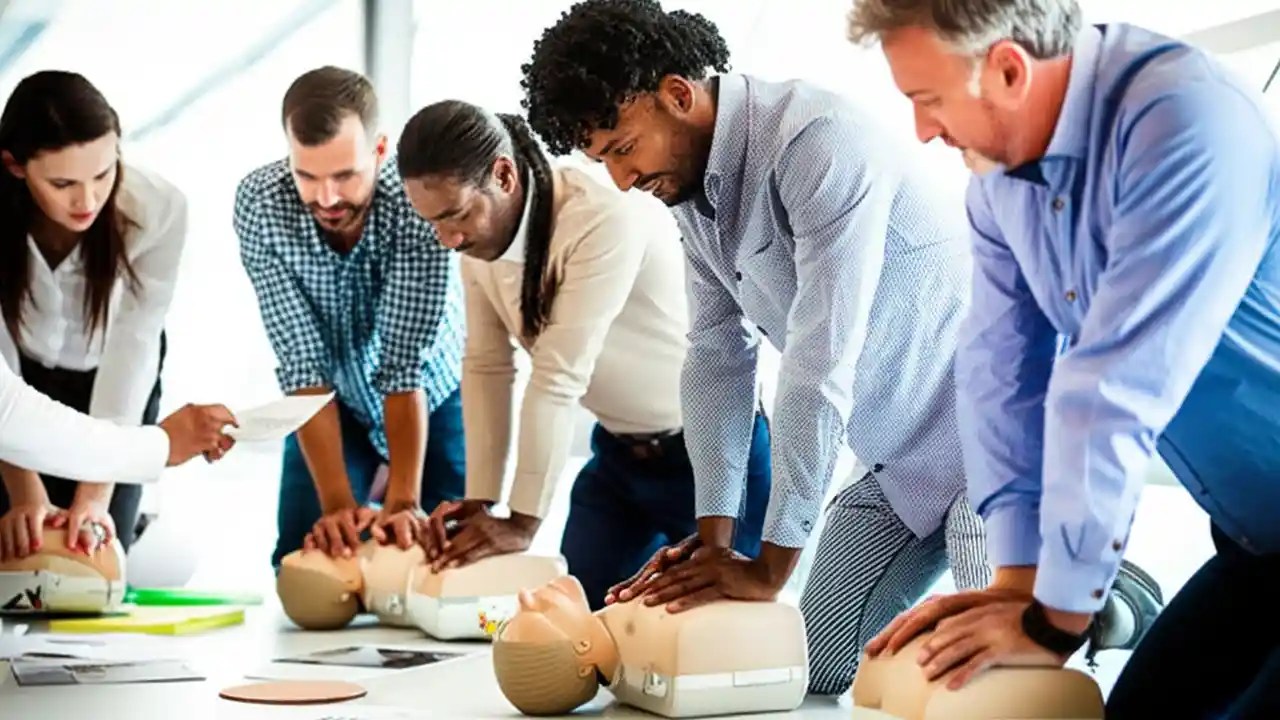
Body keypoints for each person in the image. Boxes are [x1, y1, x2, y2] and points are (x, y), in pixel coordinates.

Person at [519, 0, 996, 695]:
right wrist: (715, 542)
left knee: (995, 670)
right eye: (602, 161)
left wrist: (768, 565)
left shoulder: (817, 142)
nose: (621, 180)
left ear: (678, 94)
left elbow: (818, 360)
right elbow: (716, 355)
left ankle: (1091, 596)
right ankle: (1066, 595)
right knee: (824, 667)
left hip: (999, 444)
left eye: (621, 148)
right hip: (901, 464)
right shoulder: (690, 195)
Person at [846, 1, 1280, 716]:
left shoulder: (1188, 123)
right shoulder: (996, 185)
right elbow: (1001, 378)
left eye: (927, 100)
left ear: (1009, 70)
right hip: (1254, 542)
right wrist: (1019, 584)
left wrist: (1057, 617)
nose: (922, 131)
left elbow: (1114, 385)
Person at [394, 99, 772, 609]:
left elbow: (556, 378)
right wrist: (484, 502)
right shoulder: (476, 243)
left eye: (456, 215)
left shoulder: (600, 215)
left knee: (692, 634)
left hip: (715, 456)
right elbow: (486, 367)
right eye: (433, 222)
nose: (447, 238)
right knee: (582, 618)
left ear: (503, 175)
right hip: (620, 457)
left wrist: (523, 522)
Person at [235, 66, 468, 571]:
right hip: (328, 399)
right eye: (307, 175)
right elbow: (301, 364)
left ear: (380, 151)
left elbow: (404, 365)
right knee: (306, 560)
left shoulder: (415, 203)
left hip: (436, 391)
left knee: (448, 558)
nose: (326, 198)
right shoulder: (258, 204)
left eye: (344, 175)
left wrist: (404, 502)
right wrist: (338, 507)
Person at [0, 70, 223, 562]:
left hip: (111, 377)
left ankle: (137, 522)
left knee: (94, 551)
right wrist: (24, 489)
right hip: (19, 377)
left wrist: (95, 494)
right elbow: (4, 396)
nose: (88, 201)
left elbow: (135, 346)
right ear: (15, 167)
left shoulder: (159, 208)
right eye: (62, 183)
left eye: (103, 174)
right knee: (21, 548)